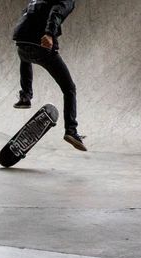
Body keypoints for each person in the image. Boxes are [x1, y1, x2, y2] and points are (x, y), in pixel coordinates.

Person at [12, 0, 86, 151]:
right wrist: (49, 34)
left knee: (25, 59)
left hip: (21, 44)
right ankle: (71, 131)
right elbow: (57, 12)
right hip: (41, 47)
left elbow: (28, 13)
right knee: (69, 88)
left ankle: (25, 96)